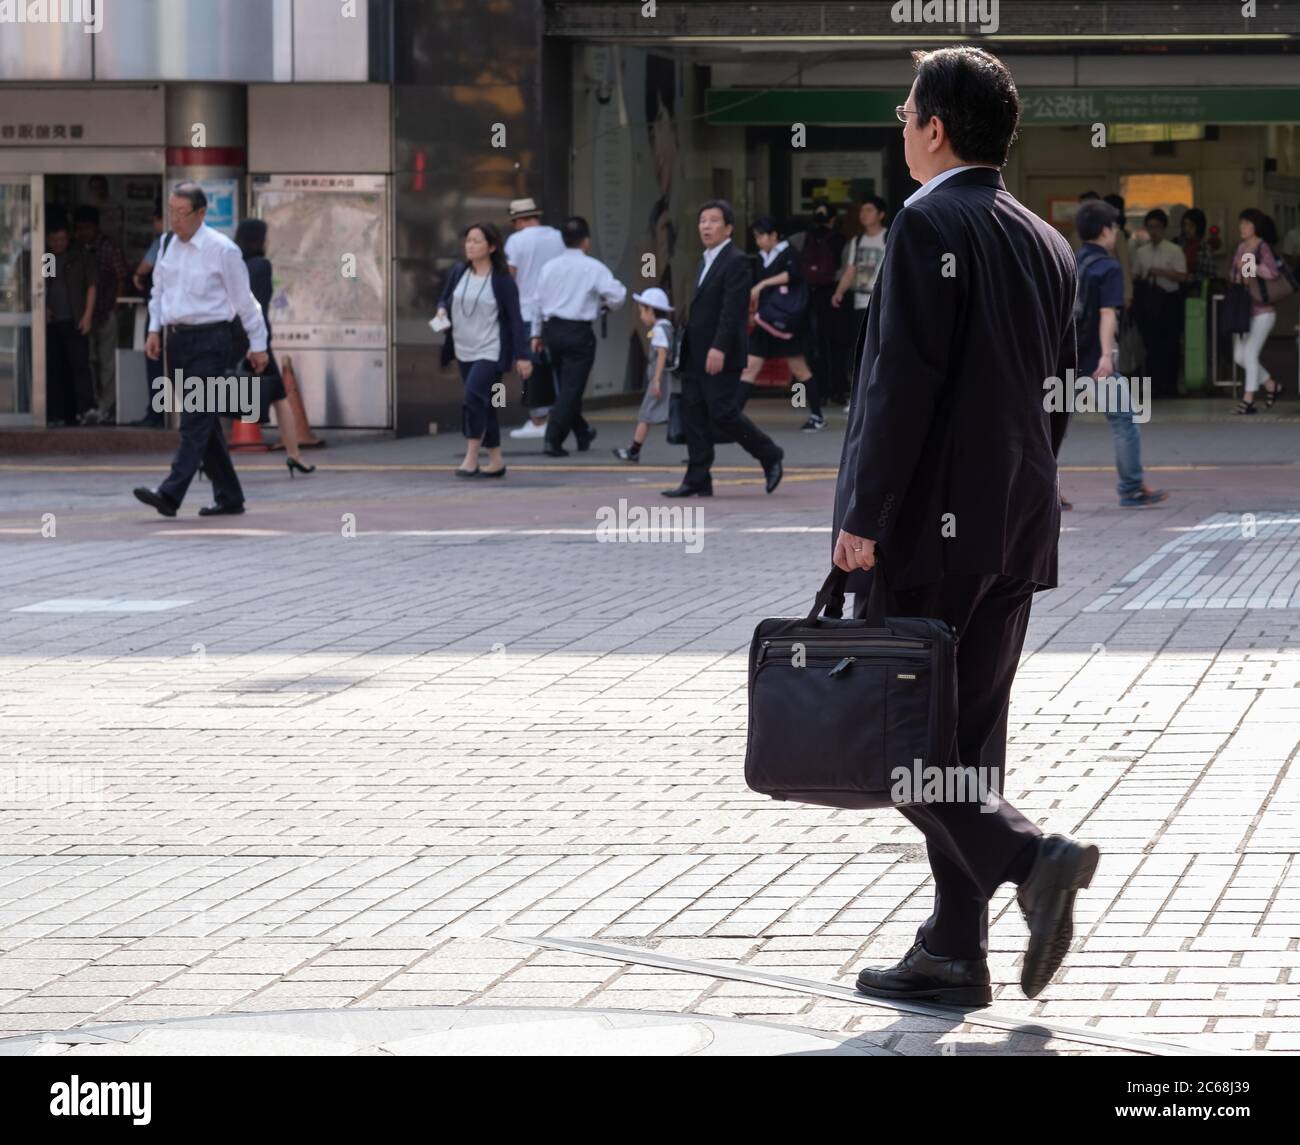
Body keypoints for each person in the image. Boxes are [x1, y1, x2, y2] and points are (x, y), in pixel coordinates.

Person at [836, 46, 1099, 1006]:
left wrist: (864, 517)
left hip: (929, 528)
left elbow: (899, 384)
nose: (901, 125)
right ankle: (953, 950)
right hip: (1018, 522)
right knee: (968, 745)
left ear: (935, 127)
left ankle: (1032, 856)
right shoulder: (1046, 238)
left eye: (907, 111)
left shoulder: (923, 221)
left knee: (900, 742)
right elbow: (1056, 398)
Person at [132, 182, 269, 518]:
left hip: (211, 340)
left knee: (194, 419)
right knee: (203, 421)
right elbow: (158, 292)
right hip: (176, 340)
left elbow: (244, 301)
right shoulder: (166, 244)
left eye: (182, 213)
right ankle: (230, 495)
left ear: (201, 213)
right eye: (171, 213)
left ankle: (171, 493)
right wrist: (154, 330)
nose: (175, 220)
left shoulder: (222, 249)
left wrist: (258, 343)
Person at [663, 199, 784, 498]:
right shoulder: (704, 260)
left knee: (723, 414)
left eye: (714, 220)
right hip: (694, 353)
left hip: (719, 353)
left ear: (728, 227)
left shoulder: (737, 261)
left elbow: (733, 311)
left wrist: (718, 348)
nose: (706, 226)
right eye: (703, 220)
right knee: (694, 414)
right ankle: (698, 477)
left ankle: (769, 454)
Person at [1072, 199, 1168, 508]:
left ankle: (1041, 492)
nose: (1116, 232)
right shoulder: (1108, 267)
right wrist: (1105, 355)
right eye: (1114, 227)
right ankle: (1131, 487)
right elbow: (1107, 314)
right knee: (1124, 420)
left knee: (1050, 425)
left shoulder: (1072, 260)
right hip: (1094, 360)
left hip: (1064, 354)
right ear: (1105, 231)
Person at [435, 222, 531, 477]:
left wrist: (523, 356)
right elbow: (445, 297)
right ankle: (497, 459)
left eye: (476, 241)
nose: (470, 245)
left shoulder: (502, 281)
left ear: (491, 246)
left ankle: (471, 456)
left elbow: (515, 319)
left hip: (491, 349)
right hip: (463, 347)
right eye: (468, 240)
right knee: (484, 404)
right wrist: (442, 309)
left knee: (472, 398)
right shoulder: (459, 272)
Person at [533, 215, 627, 457]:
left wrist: (535, 334)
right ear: (586, 241)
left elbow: (537, 303)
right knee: (571, 388)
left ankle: (583, 431)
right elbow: (618, 296)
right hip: (578, 332)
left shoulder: (549, 267)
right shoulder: (594, 268)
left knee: (566, 386)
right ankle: (552, 439)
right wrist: (602, 305)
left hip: (552, 330)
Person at [232, 218, 314, 477]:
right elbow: (259, 305)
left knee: (220, 399)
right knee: (279, 398)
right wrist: (256, 345)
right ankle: (293, 455)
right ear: (259, 240)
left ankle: (204, 457)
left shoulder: (234, 265)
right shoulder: (260, 266)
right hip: (255, 343)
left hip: (233, 338)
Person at [741, 217, 816, 428]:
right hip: (765, 320)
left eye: (761, 236)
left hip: (785, 322)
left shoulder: (789, 252)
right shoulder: (761, 257)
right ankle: (732, 418)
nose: (758, 241)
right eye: (756, 237)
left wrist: (763, 284)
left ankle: (817, 416)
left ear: (774, 235)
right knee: (750, 368)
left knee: (800, 370)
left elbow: (793, 275)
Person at [503, 198, 566, 441]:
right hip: (554, 311)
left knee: (531, 366)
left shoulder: (517, 241)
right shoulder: (558, 237)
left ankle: (539, 419)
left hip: (527, 311)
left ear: (519, 220)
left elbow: (510, 276)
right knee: (554, 367)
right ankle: (557, 416)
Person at [831, 195, 890, 411]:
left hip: (882, 303)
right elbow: (850, 270)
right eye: (862, 211)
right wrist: (839, 292)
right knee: (859, 351)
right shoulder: (857, 241)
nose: (864, 215)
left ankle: (878, 396)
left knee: (880, 350)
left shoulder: (889, 237)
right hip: (860, 302)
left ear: (881, 215)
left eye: (869, 210)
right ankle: (857, 397)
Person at [73, 205, 128, 425]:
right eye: (78, 229)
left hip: (105, 313)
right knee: (86, 362)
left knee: (107, 363)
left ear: (96, 227)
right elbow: (48, 278)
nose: (82, 233)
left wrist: (116, 307)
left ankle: (106, 407)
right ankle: (88, 406)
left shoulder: (108, 248)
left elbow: (121, 276)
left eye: (86, 228)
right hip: (73, 318)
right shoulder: (61, 252)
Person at [791, 202, 847, 415]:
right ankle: (839, 391)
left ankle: (814, 393)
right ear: (833, 219)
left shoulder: (802, 238)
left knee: (810, 346)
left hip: (806, 296)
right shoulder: (840, 240)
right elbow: (844, 268)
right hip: (831, 296)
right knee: (835, 345)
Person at [43, 219, 98, 427]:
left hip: (76, 320)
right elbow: (44, 286)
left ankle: (86, 410)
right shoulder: (48, 258)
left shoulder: (80, 256)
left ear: (69, 238)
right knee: (54, 368)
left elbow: (91, 286)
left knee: (80, 367)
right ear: (48, 240)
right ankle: (57, 414)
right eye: (54, 240)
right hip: (52, 322)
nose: (58, 243)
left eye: (62, 239)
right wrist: (45, 308)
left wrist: (87, 316)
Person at [1230, 208, 1283, 414]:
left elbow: (1272, 272)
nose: (1242, 227)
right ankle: (1271, 385)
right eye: (1241, 223)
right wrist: (1240, 271)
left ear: (1256, 227)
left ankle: (1248, 400)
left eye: (1247, 224)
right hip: (1244, 309)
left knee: (1250, 353)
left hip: (1263, 311)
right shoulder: (1241, 247)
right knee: (1239, 356)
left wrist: (1250, 266)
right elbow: (1237, 276)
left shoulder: (1262, 248)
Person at [613, 286, 674, 463]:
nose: (641, 317)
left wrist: (656, 380)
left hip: (659, 379)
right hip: (665, 377)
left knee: (645, 415)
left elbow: (661, 354)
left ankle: (634, 451)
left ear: (651, 310)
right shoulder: (668, 327)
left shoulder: (658, 331)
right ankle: (634, 450)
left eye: (642, 312)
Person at [1131, 208, 1186, 398]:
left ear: (1164, 229)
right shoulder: (1141, 252)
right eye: (1150, 227)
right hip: (1148, 302)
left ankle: (1169, 386)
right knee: (1150, 345)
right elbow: (1135, 275)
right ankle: (1153, 386)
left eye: (1157, 227)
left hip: (1169, 302)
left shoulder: (1174, 250)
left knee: (1170, 345)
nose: (1154, 231)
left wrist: (1161, 272)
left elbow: (1182, 275)